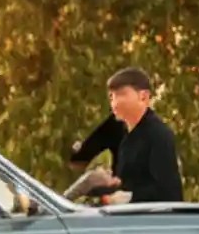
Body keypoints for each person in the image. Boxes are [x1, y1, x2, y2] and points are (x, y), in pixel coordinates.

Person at [65, 67, 184, 205]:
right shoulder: (123, 134)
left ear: (143, 97)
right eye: (112, 96)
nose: (114, 102)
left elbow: (169, 193)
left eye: (121, 94)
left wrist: (128, 196)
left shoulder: (159, 135)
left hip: (146, 222)